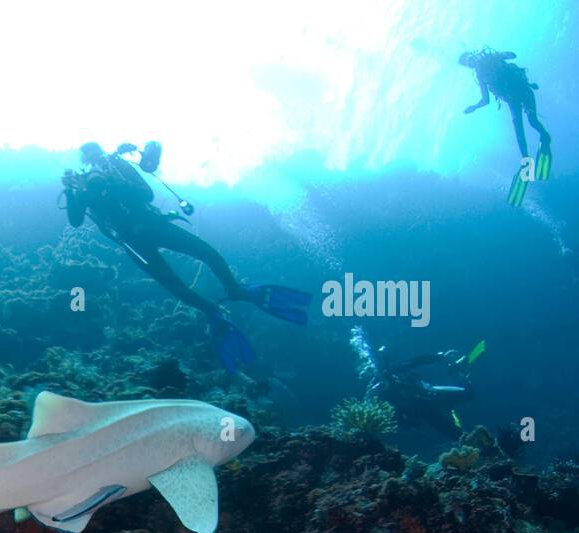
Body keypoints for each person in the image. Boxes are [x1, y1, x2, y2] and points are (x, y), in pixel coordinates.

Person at [62, 141, 310, 371]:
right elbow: (75, 221)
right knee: (174, 285)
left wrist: (112, 184)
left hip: (152, 224)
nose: (94, 164)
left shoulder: (116, 167)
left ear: (103, 154)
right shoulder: (82, 188)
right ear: (83, 163)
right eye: (89, 160)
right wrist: (73, 192)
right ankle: (212, 311)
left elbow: (146, 194)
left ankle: (236, 290)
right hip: (133, 242)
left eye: (97, 156)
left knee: (207, 253)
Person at [460, 48, 552, 204]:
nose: (471, 64)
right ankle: (531, 156)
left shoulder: (486, 64)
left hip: (520, 92)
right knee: (522, 128)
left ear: (472, 58)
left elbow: (512, 55)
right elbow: (486, 100)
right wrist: (474, 107)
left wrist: (498, 56)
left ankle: (542, 142)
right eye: (469, 64)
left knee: (528, 123)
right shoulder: (484, 70)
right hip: (515, 96)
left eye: (469, 61)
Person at [354, 327, 479, 437]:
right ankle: (474, 446)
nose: (373, 378)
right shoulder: (374, 395)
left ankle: (458, 370)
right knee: (455, 435)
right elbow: (385, 416)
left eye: (371, 372)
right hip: (424, 411)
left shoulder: (390, 372)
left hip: (430, 393)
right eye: (366, 377)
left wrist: (439, 356)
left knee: (469, 394)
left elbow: (415, 361)